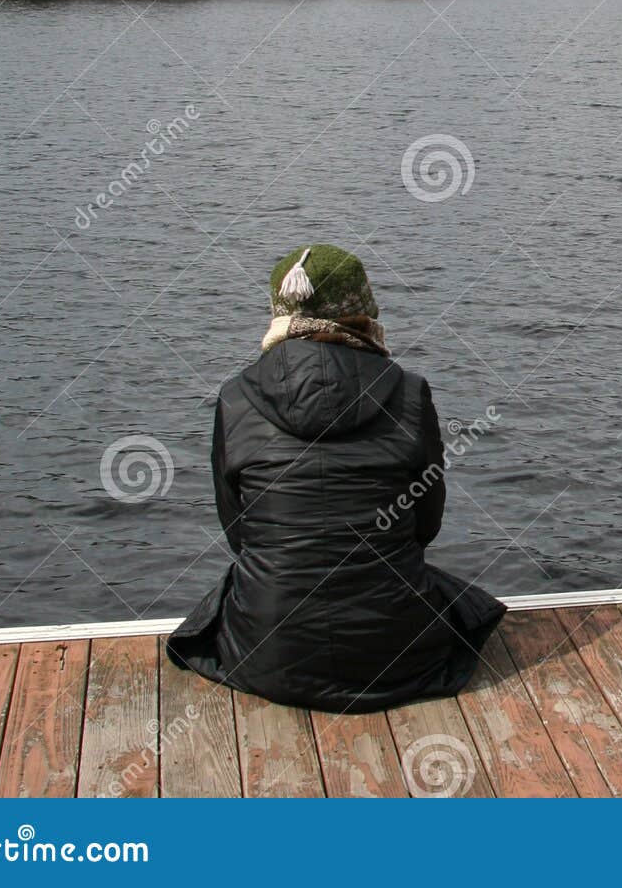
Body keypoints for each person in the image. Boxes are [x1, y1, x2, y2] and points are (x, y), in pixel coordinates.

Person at [167, 243, 504, 713]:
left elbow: (239, 534)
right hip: (396, 654)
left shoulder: (235, 397)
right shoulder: (408, 390)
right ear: (361, 311)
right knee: (457, 599)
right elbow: (425, 527)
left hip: (268, 653)